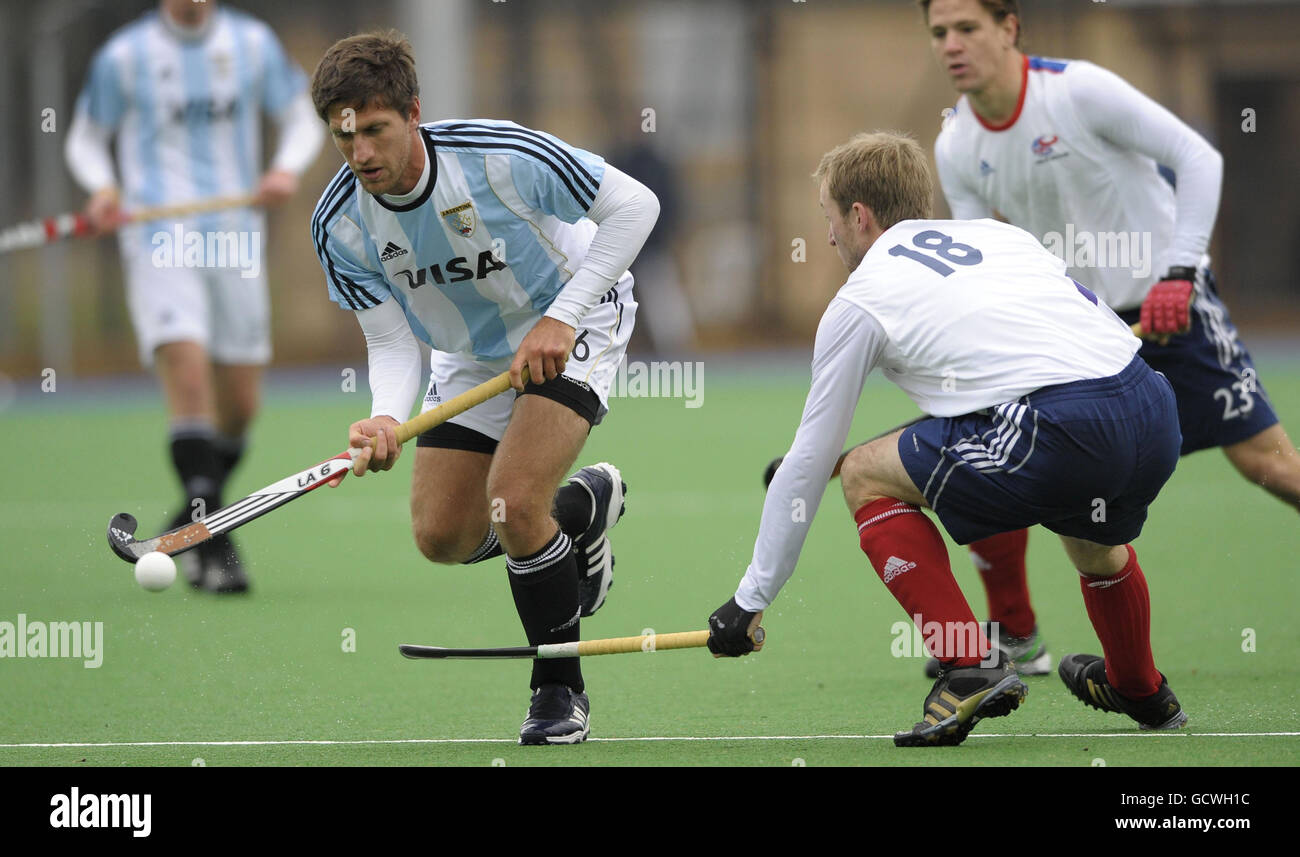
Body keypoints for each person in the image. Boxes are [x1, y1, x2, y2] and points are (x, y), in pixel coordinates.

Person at [707, 131, 1187, 746]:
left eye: (828, 217)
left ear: (859, 216)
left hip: (1060, 426)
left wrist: (749, 600)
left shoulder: (859, 302)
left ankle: (968, 662)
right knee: (1091, 536)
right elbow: (1011, 384)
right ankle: (1140, 687)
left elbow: (806, 465)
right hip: (1151, 407)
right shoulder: (996, 235)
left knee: (864, 475)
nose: (827, 236)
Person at [911, 0, 1300, 679]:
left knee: (1270, 465)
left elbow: (1197, 155)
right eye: (939, 33)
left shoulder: (1078, 90)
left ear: (1010, 28)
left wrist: (1180, 269)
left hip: (1168, 308)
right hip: (1077, 336)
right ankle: (1019, 636)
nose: (952, 45)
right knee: (1033, 475)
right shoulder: (957, 146)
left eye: (967, 28)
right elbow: (988, 259)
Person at [309, 32, 659, 745]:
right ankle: (579, 514)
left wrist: (561, 317)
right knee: (443, 535)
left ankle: (558, 690)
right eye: (344, 137)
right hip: (470, 356)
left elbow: (636, 206)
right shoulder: (340, 224)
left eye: (375, 131)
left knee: (515, 502)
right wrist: (382, 417)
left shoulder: (501, 156)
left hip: (577, 314)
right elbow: (390, 337)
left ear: (413, 113)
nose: (362, 154)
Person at [64, 0, 323, 593]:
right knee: (187, 379)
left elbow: (301, 119)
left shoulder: (251, 42)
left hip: (234, 237)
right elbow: (84, 138)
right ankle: (216, 545)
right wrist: (104, 189)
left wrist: (284, 169)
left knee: (241, 405)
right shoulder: (125, 56)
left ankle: (189, 527)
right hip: (158, 237)